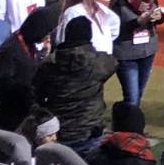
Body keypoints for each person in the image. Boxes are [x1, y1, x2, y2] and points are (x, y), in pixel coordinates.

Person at [33, 15, 116, 156]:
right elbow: (113, 63)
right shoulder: (99, 62)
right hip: (89, 130)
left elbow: (37, 93)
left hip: (58, 130)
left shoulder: (49, 63)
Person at [108, 0, 164, 105]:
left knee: (138, 95)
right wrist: (138, 22)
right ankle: (127, 118)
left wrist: (159, 17)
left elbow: (160, 18)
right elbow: (114, 29)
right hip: (126, 54)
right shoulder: (118, 1)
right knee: (132, 98)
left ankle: (129, 118)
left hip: (147, 52)